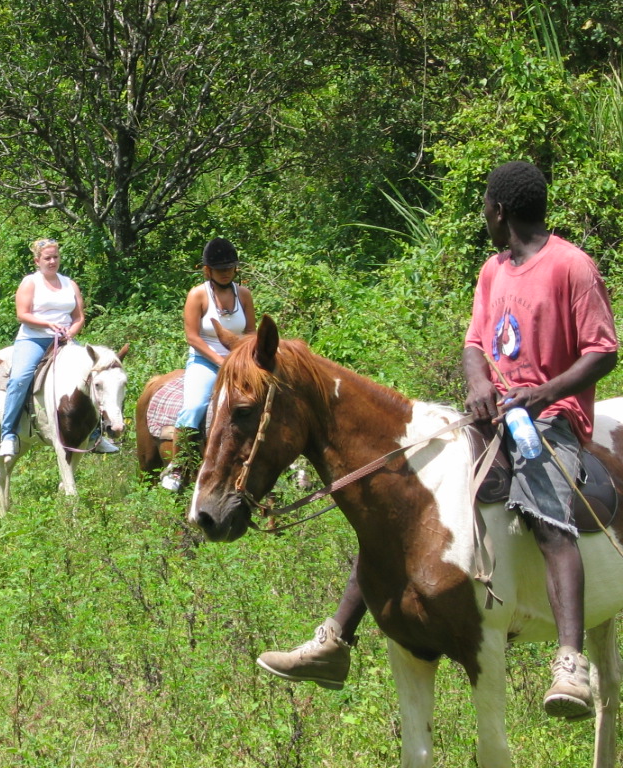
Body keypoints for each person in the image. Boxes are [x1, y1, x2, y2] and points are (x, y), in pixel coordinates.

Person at [257, 160, 618, 722]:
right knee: (401, 504)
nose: (485, 217)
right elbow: (476, 343)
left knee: (549, 512)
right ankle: (335, 637)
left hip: (550, 419)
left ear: (500, 210)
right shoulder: (493, 270)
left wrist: (542, 395)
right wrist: (478, 385)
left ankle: (569, 658)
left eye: (486, 208)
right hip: (490, 414)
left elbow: (603, 351)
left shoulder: (572, 266)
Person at [0, 238, 119, 457]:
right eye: (47, 258)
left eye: (55, 257)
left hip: (65, 340)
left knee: (94, 377)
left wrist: (72, 331)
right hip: (34, 339)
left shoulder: (69, 284)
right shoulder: (30, 282)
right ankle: (8, 434)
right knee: (20, 378)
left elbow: (79, 316)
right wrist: (47, 324)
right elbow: (22, 314)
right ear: (37, 261)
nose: (52, 261)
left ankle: (96, 434)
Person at [160, 237, 255, 491]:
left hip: (238, 362)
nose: (225, 274)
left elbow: (250, 331)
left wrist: (243, 360)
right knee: (193, 407)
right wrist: (219, 360)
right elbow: (192, 336)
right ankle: (179, 466)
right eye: (220, 269)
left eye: (229, 269)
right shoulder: (198, 295)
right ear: (207, 270)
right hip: (204, 360)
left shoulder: (243, 294)